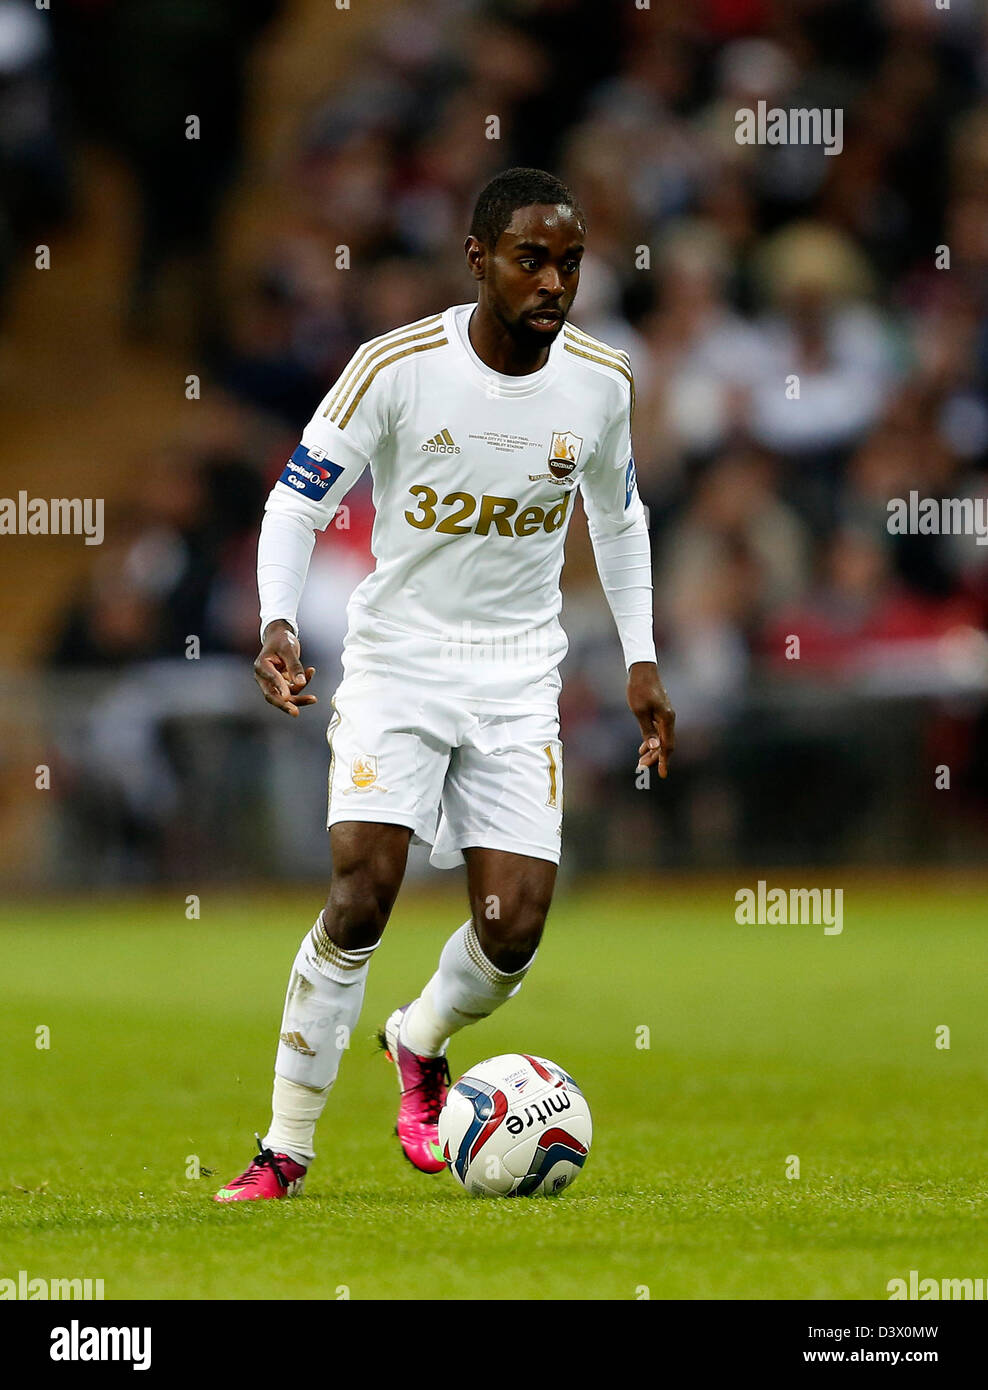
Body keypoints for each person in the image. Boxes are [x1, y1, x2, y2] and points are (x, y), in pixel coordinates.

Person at [214, 167, 675, 1201]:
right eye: (531, 260)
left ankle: (417, 1040)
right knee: (362, 886)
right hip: (399, 665)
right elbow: (295, 504)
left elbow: (620, 518)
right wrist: (278, 621)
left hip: (517, 678)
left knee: (512, 930)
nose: (553, 282)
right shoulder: (396, 367)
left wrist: (642, 656)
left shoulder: (601, 381)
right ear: (478, 261)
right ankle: (284, 1148)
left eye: (568, 262)